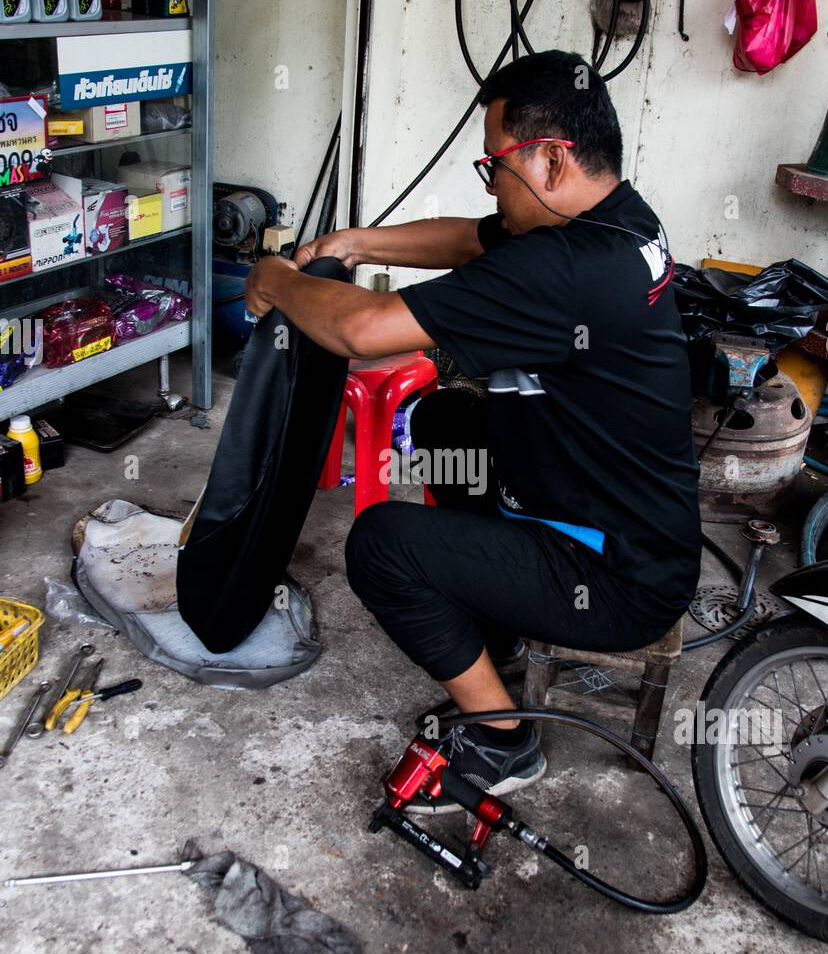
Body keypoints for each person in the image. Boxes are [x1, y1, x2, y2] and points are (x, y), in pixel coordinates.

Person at [245, 50, 701, 811]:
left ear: (552, 158)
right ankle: (499, 627)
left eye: (495, 167)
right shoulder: (620, 219)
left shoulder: (566, 271)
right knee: (445, 416)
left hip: (617, 577)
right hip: (630, 518)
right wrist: (357, 242)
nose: (490, 186)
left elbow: (363, 332)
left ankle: (501, 736)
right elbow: (472, 239)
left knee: (382, 546)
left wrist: (279, 281)